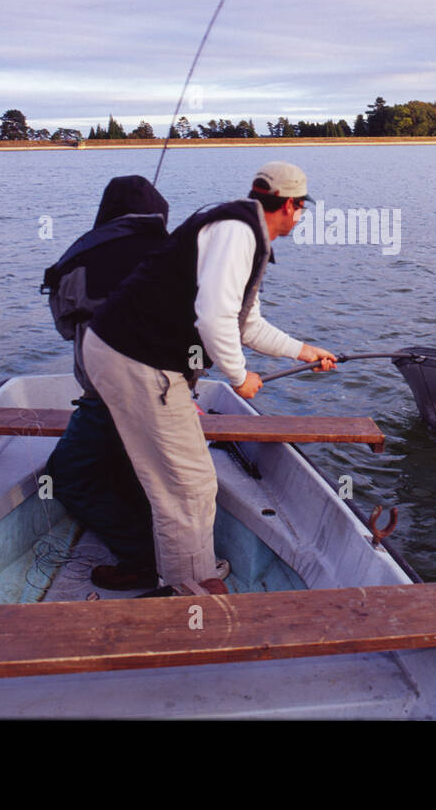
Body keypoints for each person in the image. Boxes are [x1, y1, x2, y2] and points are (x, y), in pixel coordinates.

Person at [84, 161, 337, 594]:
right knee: (185, 486)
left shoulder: (239, 230)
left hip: (130, 354)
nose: (300, 217)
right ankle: (188, 592)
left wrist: (302, 350)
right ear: (292, 206)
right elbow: (214, 318)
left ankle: (191, 573)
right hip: (136, 359)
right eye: (302, 209)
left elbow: (245, 323)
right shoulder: (238, 234)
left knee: (191, 481)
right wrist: (239, 379)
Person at [41, 175, 170, 588]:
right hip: (171, 395)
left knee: (67, 475)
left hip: (108, 397)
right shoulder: (178, 255)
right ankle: (171, 552)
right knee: (146, 470)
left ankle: (140, 558)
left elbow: (65, 328)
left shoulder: (79, 258)